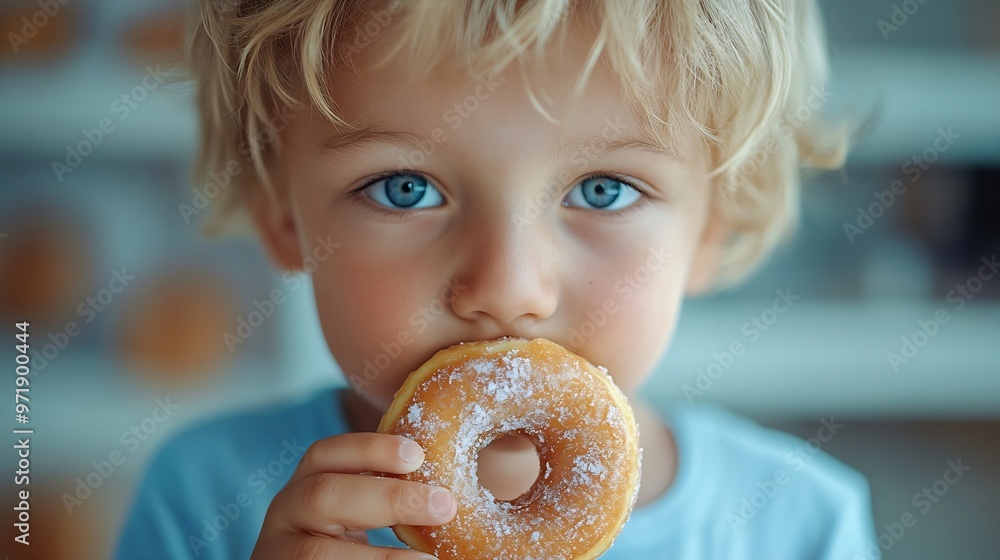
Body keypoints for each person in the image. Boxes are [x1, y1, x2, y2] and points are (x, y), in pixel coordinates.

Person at [116, 0, 877, 558]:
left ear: (715, 225)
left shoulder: (801, 525)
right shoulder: (207, 500)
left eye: (603, 190)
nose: (509, 288)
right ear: (284, 219)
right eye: (404, 188)